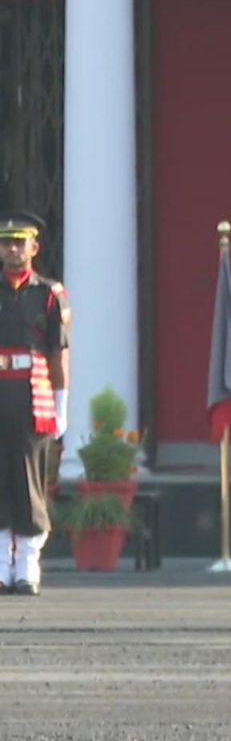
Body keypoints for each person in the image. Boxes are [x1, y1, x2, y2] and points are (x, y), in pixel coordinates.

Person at [0, 210, 69, 596]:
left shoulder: (49, 294)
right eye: (6, 243)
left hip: (33, 395)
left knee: (29, 480)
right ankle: (1, 565)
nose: (12, 249)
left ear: (34, 247)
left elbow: (58, 353)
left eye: (19, 243)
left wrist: (61, 403)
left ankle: (27, 565)